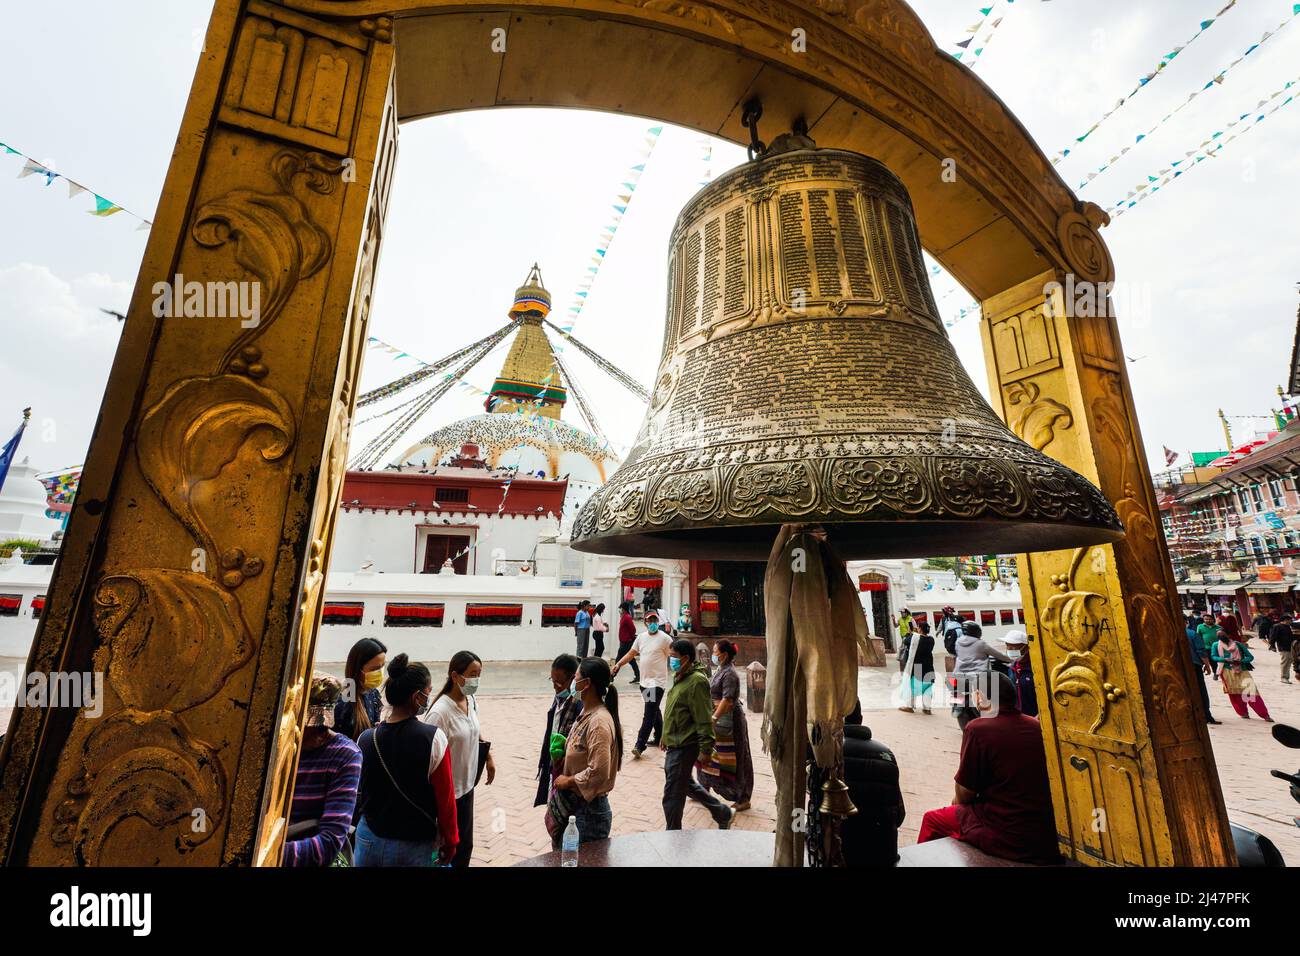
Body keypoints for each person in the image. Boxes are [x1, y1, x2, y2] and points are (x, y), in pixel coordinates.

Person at [917, 672, 1059, 864]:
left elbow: (964, 794)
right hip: (1041, 826)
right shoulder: (1034, 726)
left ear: (982, 697)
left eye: (976, 693)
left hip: (1005, 830)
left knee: (933, 819)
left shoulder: (978, 728)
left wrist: (957, 804)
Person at [355, 654, 459, 866]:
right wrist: (451, 841)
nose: (428, 699)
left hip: (369, 837)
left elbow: (360, 790)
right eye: (427, 693)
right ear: (416, 697)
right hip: (413, 843)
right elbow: (445, 800)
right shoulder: (433, 739)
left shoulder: (365, 739)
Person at [423, 650, 495, 868]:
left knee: (465, 848)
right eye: (472, 674)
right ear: (455, 676)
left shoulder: (470, 699)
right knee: (448, 853)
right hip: (448, 795)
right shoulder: (440, 713)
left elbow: (474, 729)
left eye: (479, 674)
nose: (476, 680)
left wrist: (488, 756)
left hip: (467, 788)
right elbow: (429, 757)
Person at [283, 674, 362, 866]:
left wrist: (266, 852)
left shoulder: (345, 755)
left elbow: (329, 843)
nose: (320, 734)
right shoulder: (278, 748)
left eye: (323, 727)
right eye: (312, 727)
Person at [660, 639, 735, 830]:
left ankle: (672, 833)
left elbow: (703, 718)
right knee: (684, 784)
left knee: (672, 795)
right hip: (675, 741)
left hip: (685, 745)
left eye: (674, 657)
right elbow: (674, 710)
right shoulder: (681, 676)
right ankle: (722, 812)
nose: (671, 661)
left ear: (686, 658)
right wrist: (664, 734)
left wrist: (706, 749)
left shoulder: (697, 682)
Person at [548, 657, 622, 848]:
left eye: (576, 677)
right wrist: (563, 758)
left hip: (588, 815)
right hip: (576, 807)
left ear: (586, 683)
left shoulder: (598, 722)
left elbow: (599, 771)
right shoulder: (586, 713)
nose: (573, 682)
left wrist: (569, 780)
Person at [842, 701, 905, 866]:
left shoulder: (828, 756)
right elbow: (899, 816)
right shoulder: (887, 754)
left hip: (843, 855)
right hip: (883, 855)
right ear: (861, 719)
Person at [695, 639, 754, 812]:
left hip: (730, 721)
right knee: (710, 754)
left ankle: (742, 797)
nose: (713, 654)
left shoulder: (730, 674)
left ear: (724, 654)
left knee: (737, 757)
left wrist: (713, 718)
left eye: (715, 651)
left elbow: (727, 700)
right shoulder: (720, 670)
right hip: (718, 718)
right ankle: (702, 789)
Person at [614, 610, 672, 757]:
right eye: (649, 621)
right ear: (645, 623)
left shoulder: (665, 639)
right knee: (654, 709)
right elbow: (631, 654)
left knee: (649, 713)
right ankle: (659, 735)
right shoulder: (641, 638)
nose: (652, 623)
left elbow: (674, 654)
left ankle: (640, 745)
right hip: (645, 682)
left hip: (657, 683)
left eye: (654, 621)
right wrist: (619, 664)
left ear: (658, 622)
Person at [534, 654, 583, 808]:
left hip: (568, 772)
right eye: (552, 681)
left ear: (573, 680)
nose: (555, 686)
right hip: (554, 766)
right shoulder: (559, 699)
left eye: (559, 682)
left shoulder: (579, 706)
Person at [952, 620, 1011, 730]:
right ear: (976, 631)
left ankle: (956, 708)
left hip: (958, 676)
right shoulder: (981, 643)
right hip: (977, 677)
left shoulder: (958, 642)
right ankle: (986, 724)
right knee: (983, 701)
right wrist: (1011, 660)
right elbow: (997, 655)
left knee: (958, 697)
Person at [1211, 629, 1273, 721]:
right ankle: (1243, 713)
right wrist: (1224, 660)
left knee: (1251, 692)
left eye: (1223, 634)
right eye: (1219, 635)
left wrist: (1241, 661)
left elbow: (1250, 657)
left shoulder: (1238, 644)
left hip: (1242, 670)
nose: (1222, 637)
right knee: (1234, 694)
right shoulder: (1215, 645)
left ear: (1228, 635)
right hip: (1226, 671)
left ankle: (1264, 714)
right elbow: (1213, 656)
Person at [335, 637, 386, 741]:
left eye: (382, 667)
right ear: (358, 669)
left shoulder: (373, 693)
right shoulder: (345, 698)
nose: (380, 672)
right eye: (375, 669)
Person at [1186, 614, 1221, 725]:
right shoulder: (1192, 634)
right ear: (1186, 622)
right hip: (1194, 665)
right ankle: (1206, 715)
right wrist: (1207, 665)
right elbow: (1201, 651)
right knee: (1200, 690)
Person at [897, 620, 935, 714]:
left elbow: (906, 641)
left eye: (918, 627)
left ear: (920, 629)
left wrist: (910, 633)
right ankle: (927, 708)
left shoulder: (915, 637)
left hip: (918, 665)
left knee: (913, 686)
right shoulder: (931, 639)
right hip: (929, 666)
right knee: (927, 688)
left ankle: (909, 706)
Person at [1003, 630, 1037, 718]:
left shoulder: (1036, 669)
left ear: (1026, 648)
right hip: (1018, 718)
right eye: (1008, 647)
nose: (1010, 651)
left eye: (1014, 648)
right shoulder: (1012, 668)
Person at [615, 600, 640, 683]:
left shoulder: (627, 617)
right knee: (631, 660)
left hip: (626, 643)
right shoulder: (624, 616)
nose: (620, 610)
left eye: (621, 608)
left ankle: (611, 675)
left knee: (618, 660)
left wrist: (630, 637)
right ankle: (638, 676)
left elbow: (633, 629)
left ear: (624, 609)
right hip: (624, 642)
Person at [1197, 612, 1221, 678]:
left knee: (1221, 660)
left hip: (1218, 647)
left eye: (1209, 619)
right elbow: (1198, 636)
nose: (1208, 620)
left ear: (1213, 619)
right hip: (1207, 647)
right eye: (1206, 619)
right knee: (1212, 661)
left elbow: (1222, 636)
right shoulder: (1200, 627)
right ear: (1203, 620)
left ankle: (1223, 672)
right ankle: (1215, 673)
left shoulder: (1218, 627)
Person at [1272, 615, 1295, 682]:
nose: (1291, 621)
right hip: (1283, 647)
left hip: (1291, 646)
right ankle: (1284, 677)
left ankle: (1286, 677)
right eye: (1290, 620)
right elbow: (1273, 637)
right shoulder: (1277, 626)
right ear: (1285, 620)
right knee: (1285, 662)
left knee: (1289, 662)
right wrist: (1272, 646)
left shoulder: (1288, 627)